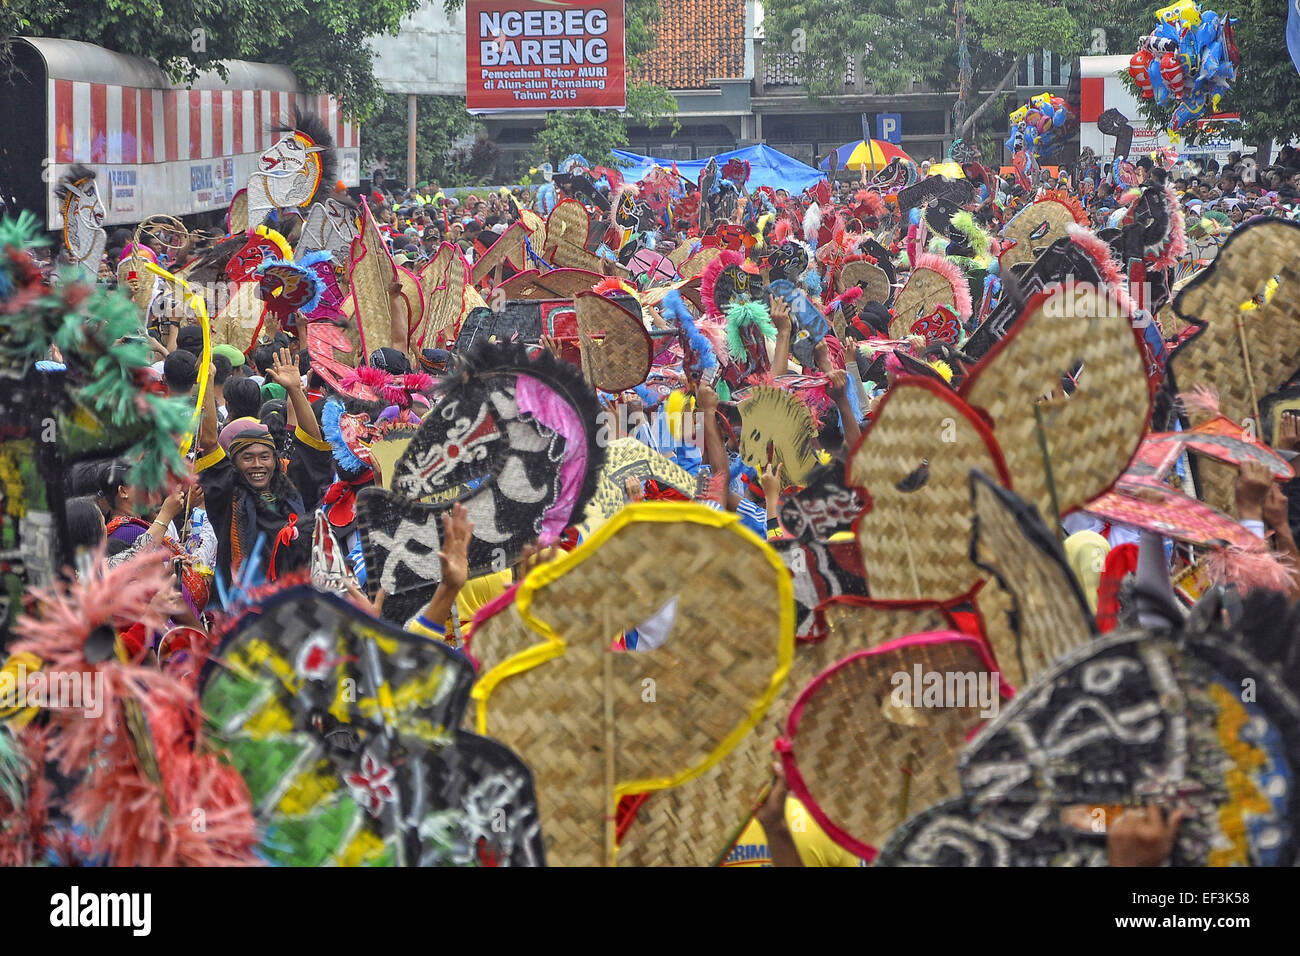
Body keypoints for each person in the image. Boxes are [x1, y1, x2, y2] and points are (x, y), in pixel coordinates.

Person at [196, 346, 333, 585]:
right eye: (247, 458)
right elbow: (207, 440)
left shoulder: (291, 485)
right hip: (244, 603)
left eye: (264, 457)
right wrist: (207, 379)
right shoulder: (228, 491)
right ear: (234, 464)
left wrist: (294, 390)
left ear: (275, 460)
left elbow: (313, 442)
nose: (257, 464)